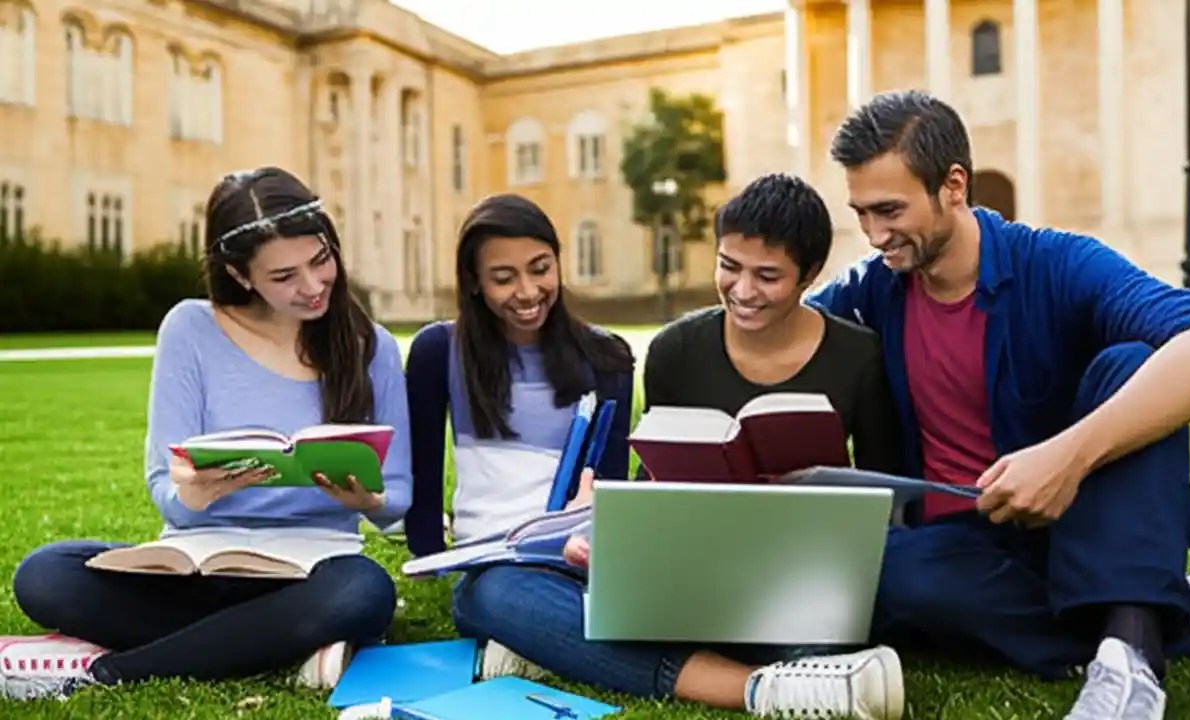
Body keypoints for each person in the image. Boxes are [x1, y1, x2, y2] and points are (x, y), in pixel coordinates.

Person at [804, 89, 1190, 719]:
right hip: (961, 550)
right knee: (887, 579)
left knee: (1132, 364)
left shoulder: (1056, 262)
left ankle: (1133, 658)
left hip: (1085, 524)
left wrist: (1065, 459)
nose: (873, 234)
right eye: (861, 212)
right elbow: (788, 333)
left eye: (889, 210)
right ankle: (1151, 602)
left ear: (953, 185)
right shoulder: (872, 290)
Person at [450, 175, 908, 720]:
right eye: (728, 266)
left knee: (828, 635)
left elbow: (887, 497)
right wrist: (603, 536)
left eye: (767, 276)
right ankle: (767, 689)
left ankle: (560, 649)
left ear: (809, 275)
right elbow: (653, 486)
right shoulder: (675, 351)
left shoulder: (858, 356)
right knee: (486, 595)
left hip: (796, 580)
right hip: (688, 578)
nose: (742, 290)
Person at [1, 167, 412, 701]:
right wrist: (192, 494)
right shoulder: (190, 328)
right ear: (242, 276)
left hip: (313, 571)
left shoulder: (369, 346)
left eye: (320, 261)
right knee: (44, 574)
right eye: (284, 277)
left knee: (364, 592)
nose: (312, 287)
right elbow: (166, 491)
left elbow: (398, 496)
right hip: (195, 567)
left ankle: (108, 673)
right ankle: (278, 647)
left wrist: (369, 499)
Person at [401, 193, 635, 677]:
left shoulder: (607, 357)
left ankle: (539, 645)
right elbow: (421, 474)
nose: (528, 292)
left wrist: (592, 534)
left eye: (540, 268)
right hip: (491, 565)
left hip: (573, 560)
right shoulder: (438, 351)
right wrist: (432, 551)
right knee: (495, 596)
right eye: (504, 279)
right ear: (474, 284)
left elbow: (610, 491)